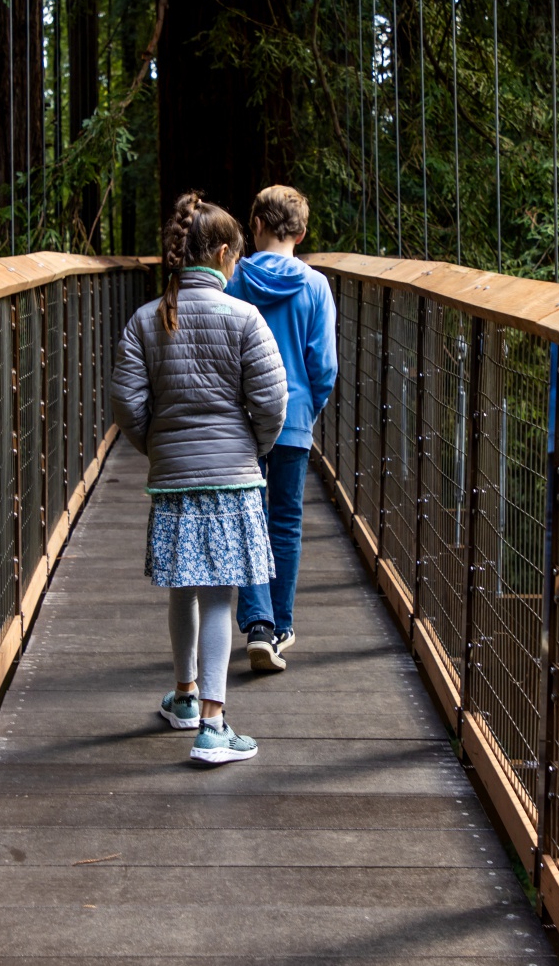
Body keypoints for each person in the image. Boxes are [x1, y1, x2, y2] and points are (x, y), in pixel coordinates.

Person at [111, 193, 288, 764]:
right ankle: (213, 724)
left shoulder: (145, 320)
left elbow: (127, 405)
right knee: (219, 592)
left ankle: (185, 696)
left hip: (175, 479)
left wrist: (158, 449)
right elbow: (271, 401)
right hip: (232, 478)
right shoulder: (244, 318)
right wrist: (252, 451)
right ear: (219, 254)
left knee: (184, 586)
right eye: (235, 258)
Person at [225, 185, 338, 671]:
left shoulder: (233, 281)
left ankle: (258, 624)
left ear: (256, 227)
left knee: (247, 517)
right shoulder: (315, 287)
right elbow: (324, 366)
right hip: (292, 421)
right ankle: (282, 624)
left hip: (242, 420)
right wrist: (308, 412)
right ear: (302, 232)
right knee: (285, 521)